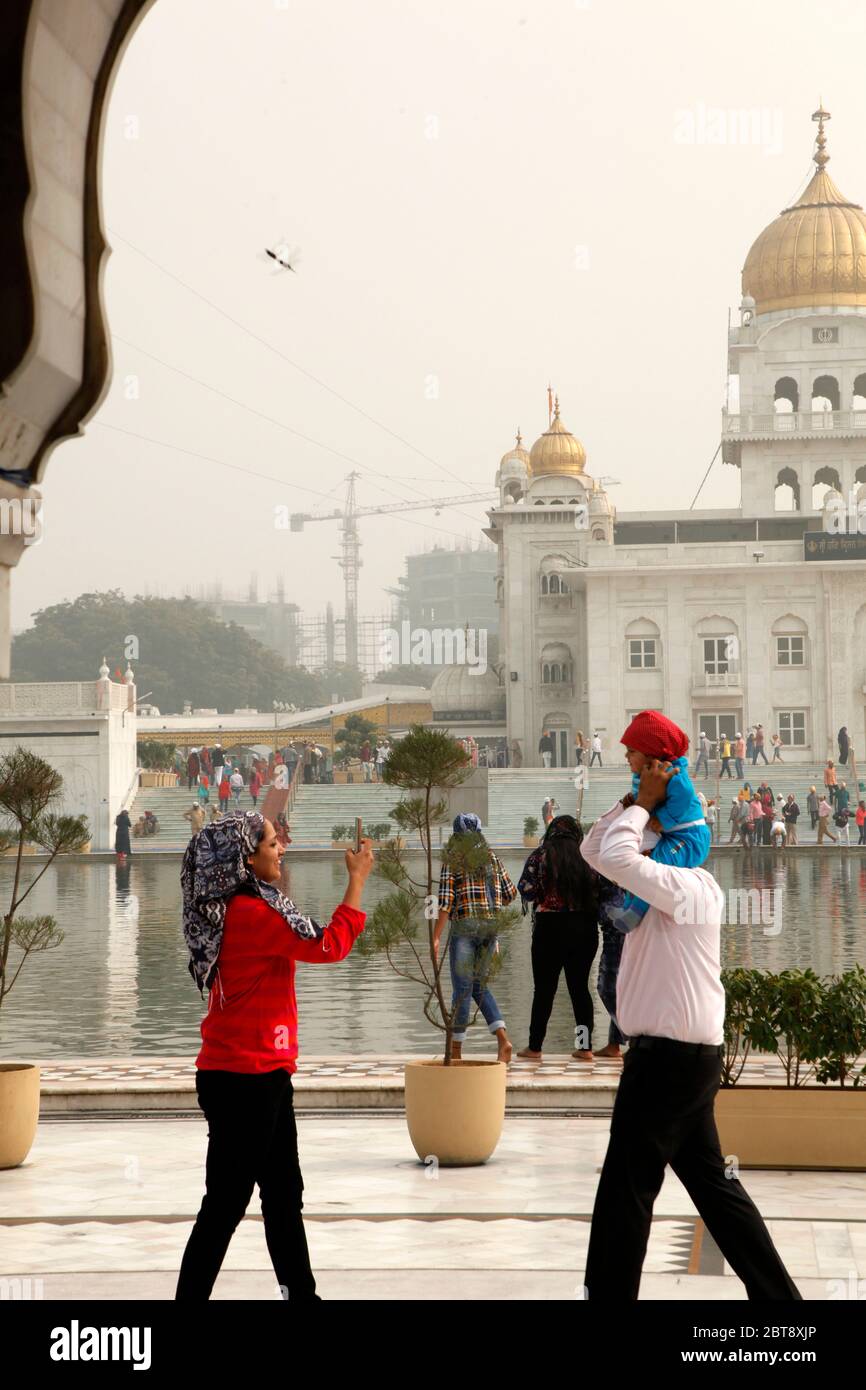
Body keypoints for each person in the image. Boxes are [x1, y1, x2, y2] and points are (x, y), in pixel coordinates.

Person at [579, 756, 802, 1301]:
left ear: (668, 840)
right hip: (686, 1061)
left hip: (666, 1063)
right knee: (716, 1189)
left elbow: (613, 854)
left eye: (654, 834)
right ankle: (781, 1302)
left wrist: (646, 805)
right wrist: (635, 804)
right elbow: (595, 852)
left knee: (625, 1194)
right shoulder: (670, 886)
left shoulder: (684, 887)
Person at [176, 813, 373, 1302]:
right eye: (270, 843)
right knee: (226, 1203)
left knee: (283, 1194)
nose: (280, 847)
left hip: (257, 1072)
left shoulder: (247, 905)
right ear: (245, 858)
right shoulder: (252, 913)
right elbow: (328, 946)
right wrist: (357, 881)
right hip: (245, 1077)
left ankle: (301, 1296)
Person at [517, 815, 618, 1063]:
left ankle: (535, 1046)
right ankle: (584, 1047)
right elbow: (605, 889)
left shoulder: (540, 856)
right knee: (579, 989)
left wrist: (547, 894)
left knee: (543, 990)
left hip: (548, 930)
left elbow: (525, 889)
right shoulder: (588, 857)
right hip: (583, 929)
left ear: (551, 832)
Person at [608, 712, 711, 935]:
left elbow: (683, 799)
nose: (627, 757)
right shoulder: (647, 773)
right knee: (639, 862)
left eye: (632, 751)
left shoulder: (674, 775)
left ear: (651, 752)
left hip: (689, 838)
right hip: (671, 836)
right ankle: (627, 906)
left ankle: (634, 912)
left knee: (654, 866)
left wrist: (662, 820)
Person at [433, 814, 517, 1064]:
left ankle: (456, 1051)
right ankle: (503, 1040)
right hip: (490, 929)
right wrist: (489, 906)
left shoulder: (454, 857)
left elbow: (446, 900)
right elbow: (510, 893)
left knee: (462, 989)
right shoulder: (490, 856)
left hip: (465, 928)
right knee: (479, 986)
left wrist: (436, 937)